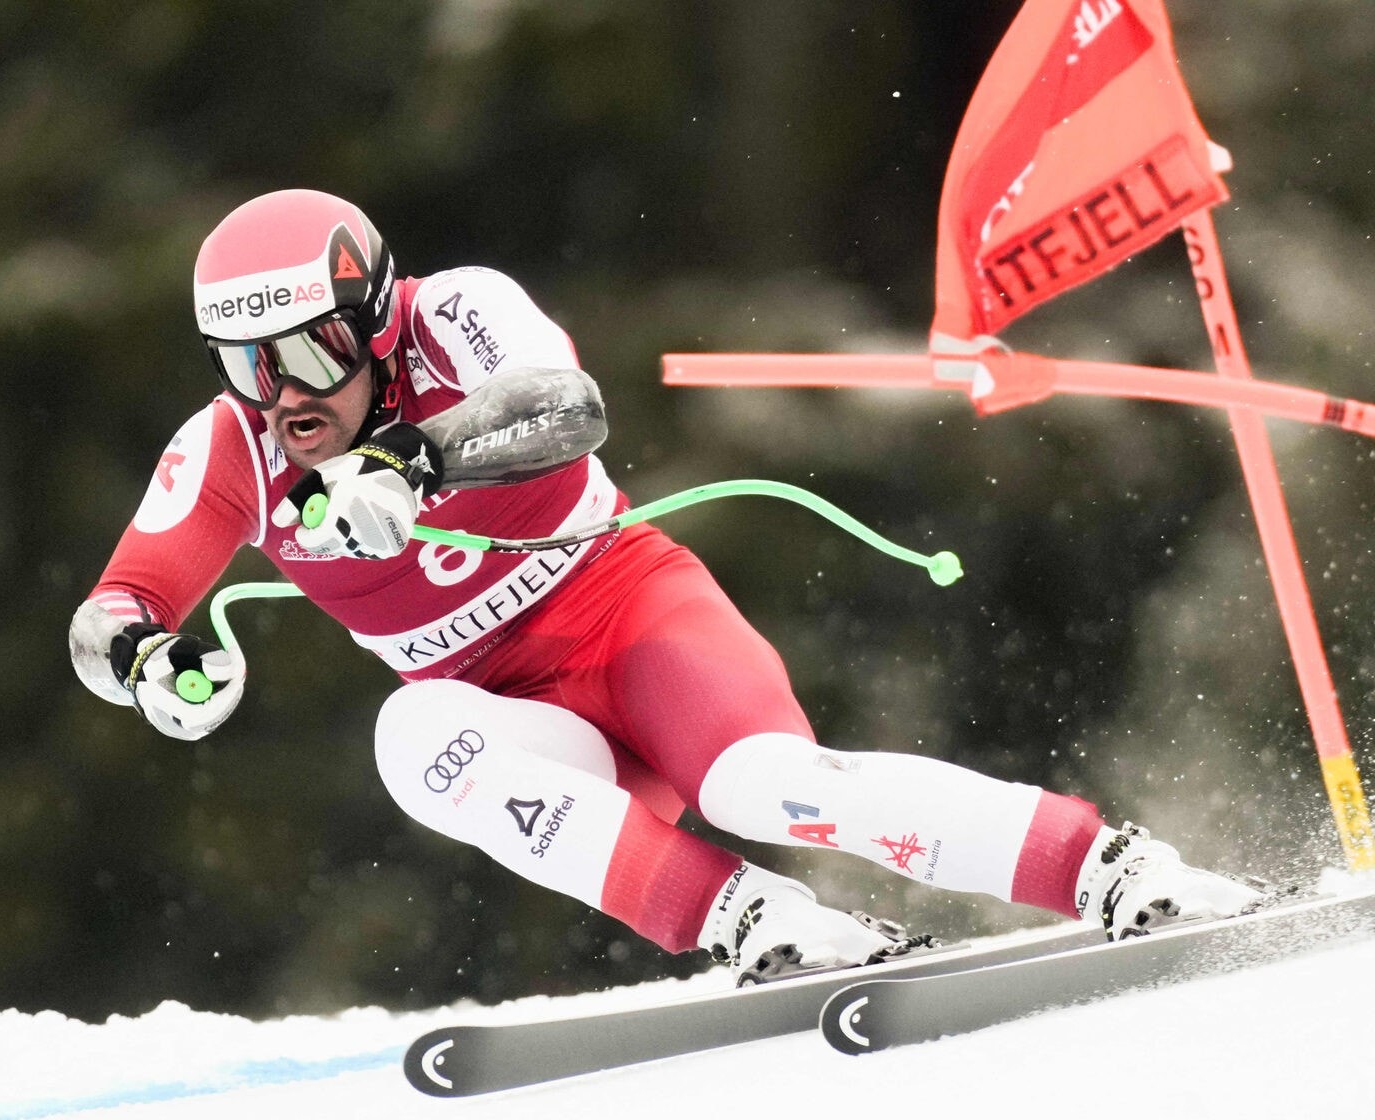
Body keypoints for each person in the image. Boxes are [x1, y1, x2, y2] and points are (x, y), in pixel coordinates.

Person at [67, 188, 1265, 984]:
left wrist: (414, 459)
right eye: (246, 363)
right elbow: (113, 606)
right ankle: (752, 918)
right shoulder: (233, 446)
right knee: (411, 737)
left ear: (375, 321)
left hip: (626, 614)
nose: (283, 393)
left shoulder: (455, 314)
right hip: (518, 709)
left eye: (311, 350)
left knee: (761, 782)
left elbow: (565, 407)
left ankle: (1111, 868)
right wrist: (147, 663)